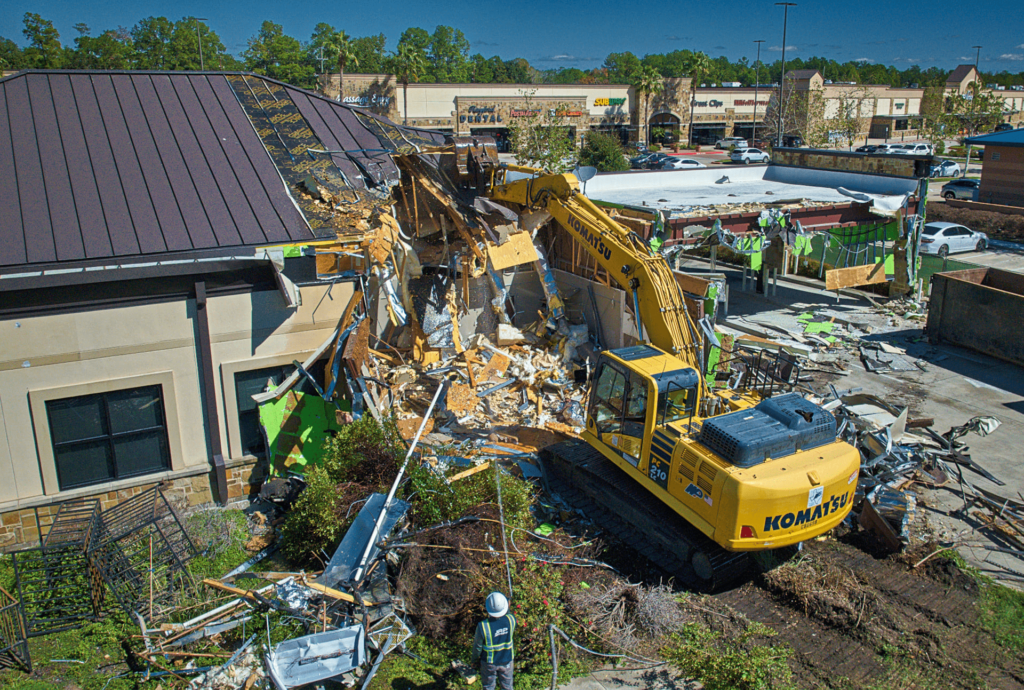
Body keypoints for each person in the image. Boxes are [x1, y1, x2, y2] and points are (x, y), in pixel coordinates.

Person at [471, 591, 516, 690]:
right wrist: (507, 606)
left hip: (489, 663)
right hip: (507, 661)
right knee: (507, 687)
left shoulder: (483, 625)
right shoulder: (511, 620)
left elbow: (477, 647)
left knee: (489, 687)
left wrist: (474, 660)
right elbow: (507, 615)